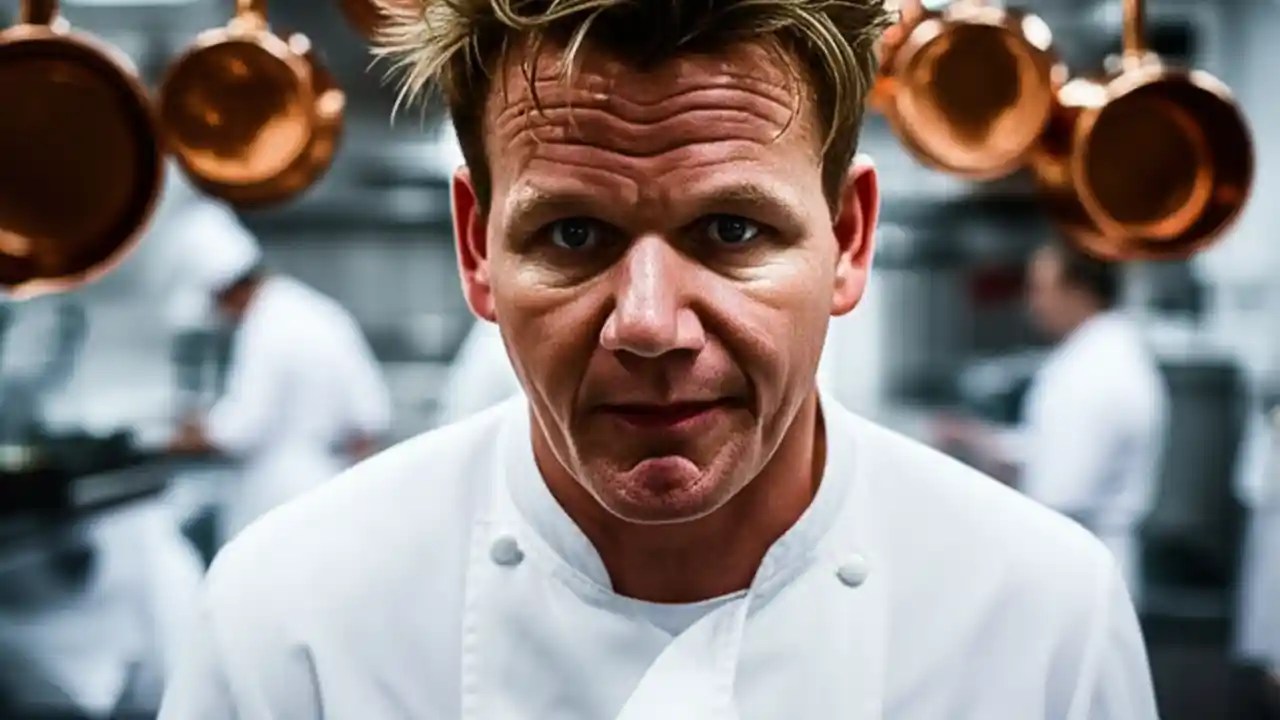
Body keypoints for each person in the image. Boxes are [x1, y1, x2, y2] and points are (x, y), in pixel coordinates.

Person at [160, 2, 1159, 717]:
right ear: (476, 247)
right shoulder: (288, 619)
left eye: (730, 229)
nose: (648, 325)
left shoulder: (1038, 614)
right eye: (572, 235)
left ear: (848, 240)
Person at [167, 202, 392, 544]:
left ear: (226, 291)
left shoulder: (264, 327)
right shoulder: (315, 310)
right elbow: (369, 414)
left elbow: (243, 427)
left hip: (275, 496)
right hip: (329, 486)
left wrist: (192, 434)